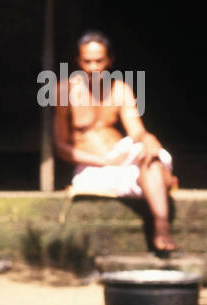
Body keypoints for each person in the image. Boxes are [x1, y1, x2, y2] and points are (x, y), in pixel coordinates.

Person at [53, 30, 180, 252]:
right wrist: (104, 162)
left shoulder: (120, 89)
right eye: (87, 61)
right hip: (93, 165)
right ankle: (163, 180)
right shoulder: (65, 90)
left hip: (121, 154)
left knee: (150, 156)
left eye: (99, 61)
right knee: (151, 173)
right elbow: (61, 147)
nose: (94, 67)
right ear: (78, 61)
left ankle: (162, 225)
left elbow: (136, 131)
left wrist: (149, 139)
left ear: (110, 60)